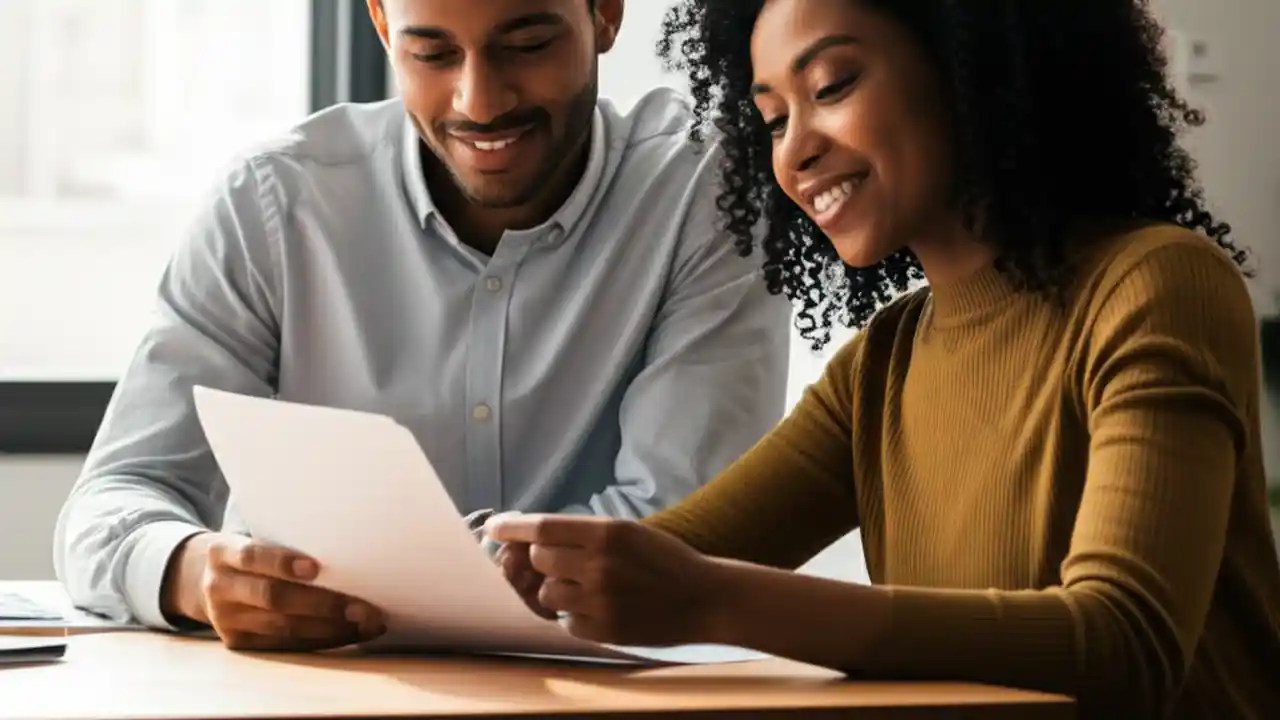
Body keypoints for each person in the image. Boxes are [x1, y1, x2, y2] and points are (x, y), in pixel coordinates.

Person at [485, 0, 1280, 716]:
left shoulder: (1155, 284)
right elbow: (668, 557)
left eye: (831, 87)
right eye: (772, 120)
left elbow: (1125, 646)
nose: (795, 152)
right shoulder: (884, 362)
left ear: (970, 67)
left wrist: (713, 602)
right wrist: (477, 581)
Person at [52, 0, 791, 653]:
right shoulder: (274, 205)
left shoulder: (707, 193)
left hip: (610, 701)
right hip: (318, 695)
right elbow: (116, 497)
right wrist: (193, 572)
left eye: (527, 45)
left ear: (605, 14)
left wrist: (374, 579)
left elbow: (684, 530)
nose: (480, 102)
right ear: (381, 24)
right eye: (432, 53)